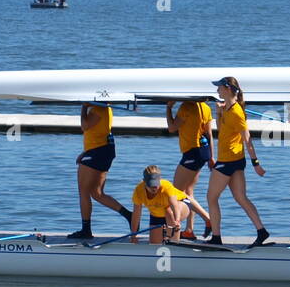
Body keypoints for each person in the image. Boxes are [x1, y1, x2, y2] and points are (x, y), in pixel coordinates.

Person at [205, 76, 269, 247]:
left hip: (228, 161)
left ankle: (216, 237)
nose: (217, 90)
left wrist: (256, 163)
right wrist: (218, 113)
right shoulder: (228, 108)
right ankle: (261, 231)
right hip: (235, 160)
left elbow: (247, 139)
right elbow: (222, 129)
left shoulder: (236, 112)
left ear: (227, 89)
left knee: (211, 198)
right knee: (241, 197)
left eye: (219, 87)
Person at [69, 103, 133, 240]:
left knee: (84, 191)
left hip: (98, 152)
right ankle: (129, 215)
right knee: (97, 193)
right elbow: (98, 132)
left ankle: (86, 231)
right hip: (100, 150)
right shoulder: (104, 108)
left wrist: (83, 107)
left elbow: (84, 126)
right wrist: (85, 152)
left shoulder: (99, 109)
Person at [166, 98, 215, 240]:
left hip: (192, 153)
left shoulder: (186, 107)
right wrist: (211, 157)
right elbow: (210, 134)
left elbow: (172, 128)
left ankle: (207, 218)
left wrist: (169, 108)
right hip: (203, 151)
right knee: (188, 192)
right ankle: (189, 230)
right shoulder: (206, 107)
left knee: (175, 193)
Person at [129, 165, 211, 245]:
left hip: (181, 205)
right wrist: (133, 235)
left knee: (169, 211)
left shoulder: (166, 186)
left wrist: (177, 221)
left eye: (156, 185)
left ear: (159, 180)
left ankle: (174, 242)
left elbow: (174, 205)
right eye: (150, 186)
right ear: (144, 181)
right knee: (154, 244)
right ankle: (168, 235)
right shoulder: (138, 191)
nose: (154, 189)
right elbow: (136, 215)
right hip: (157, 214)